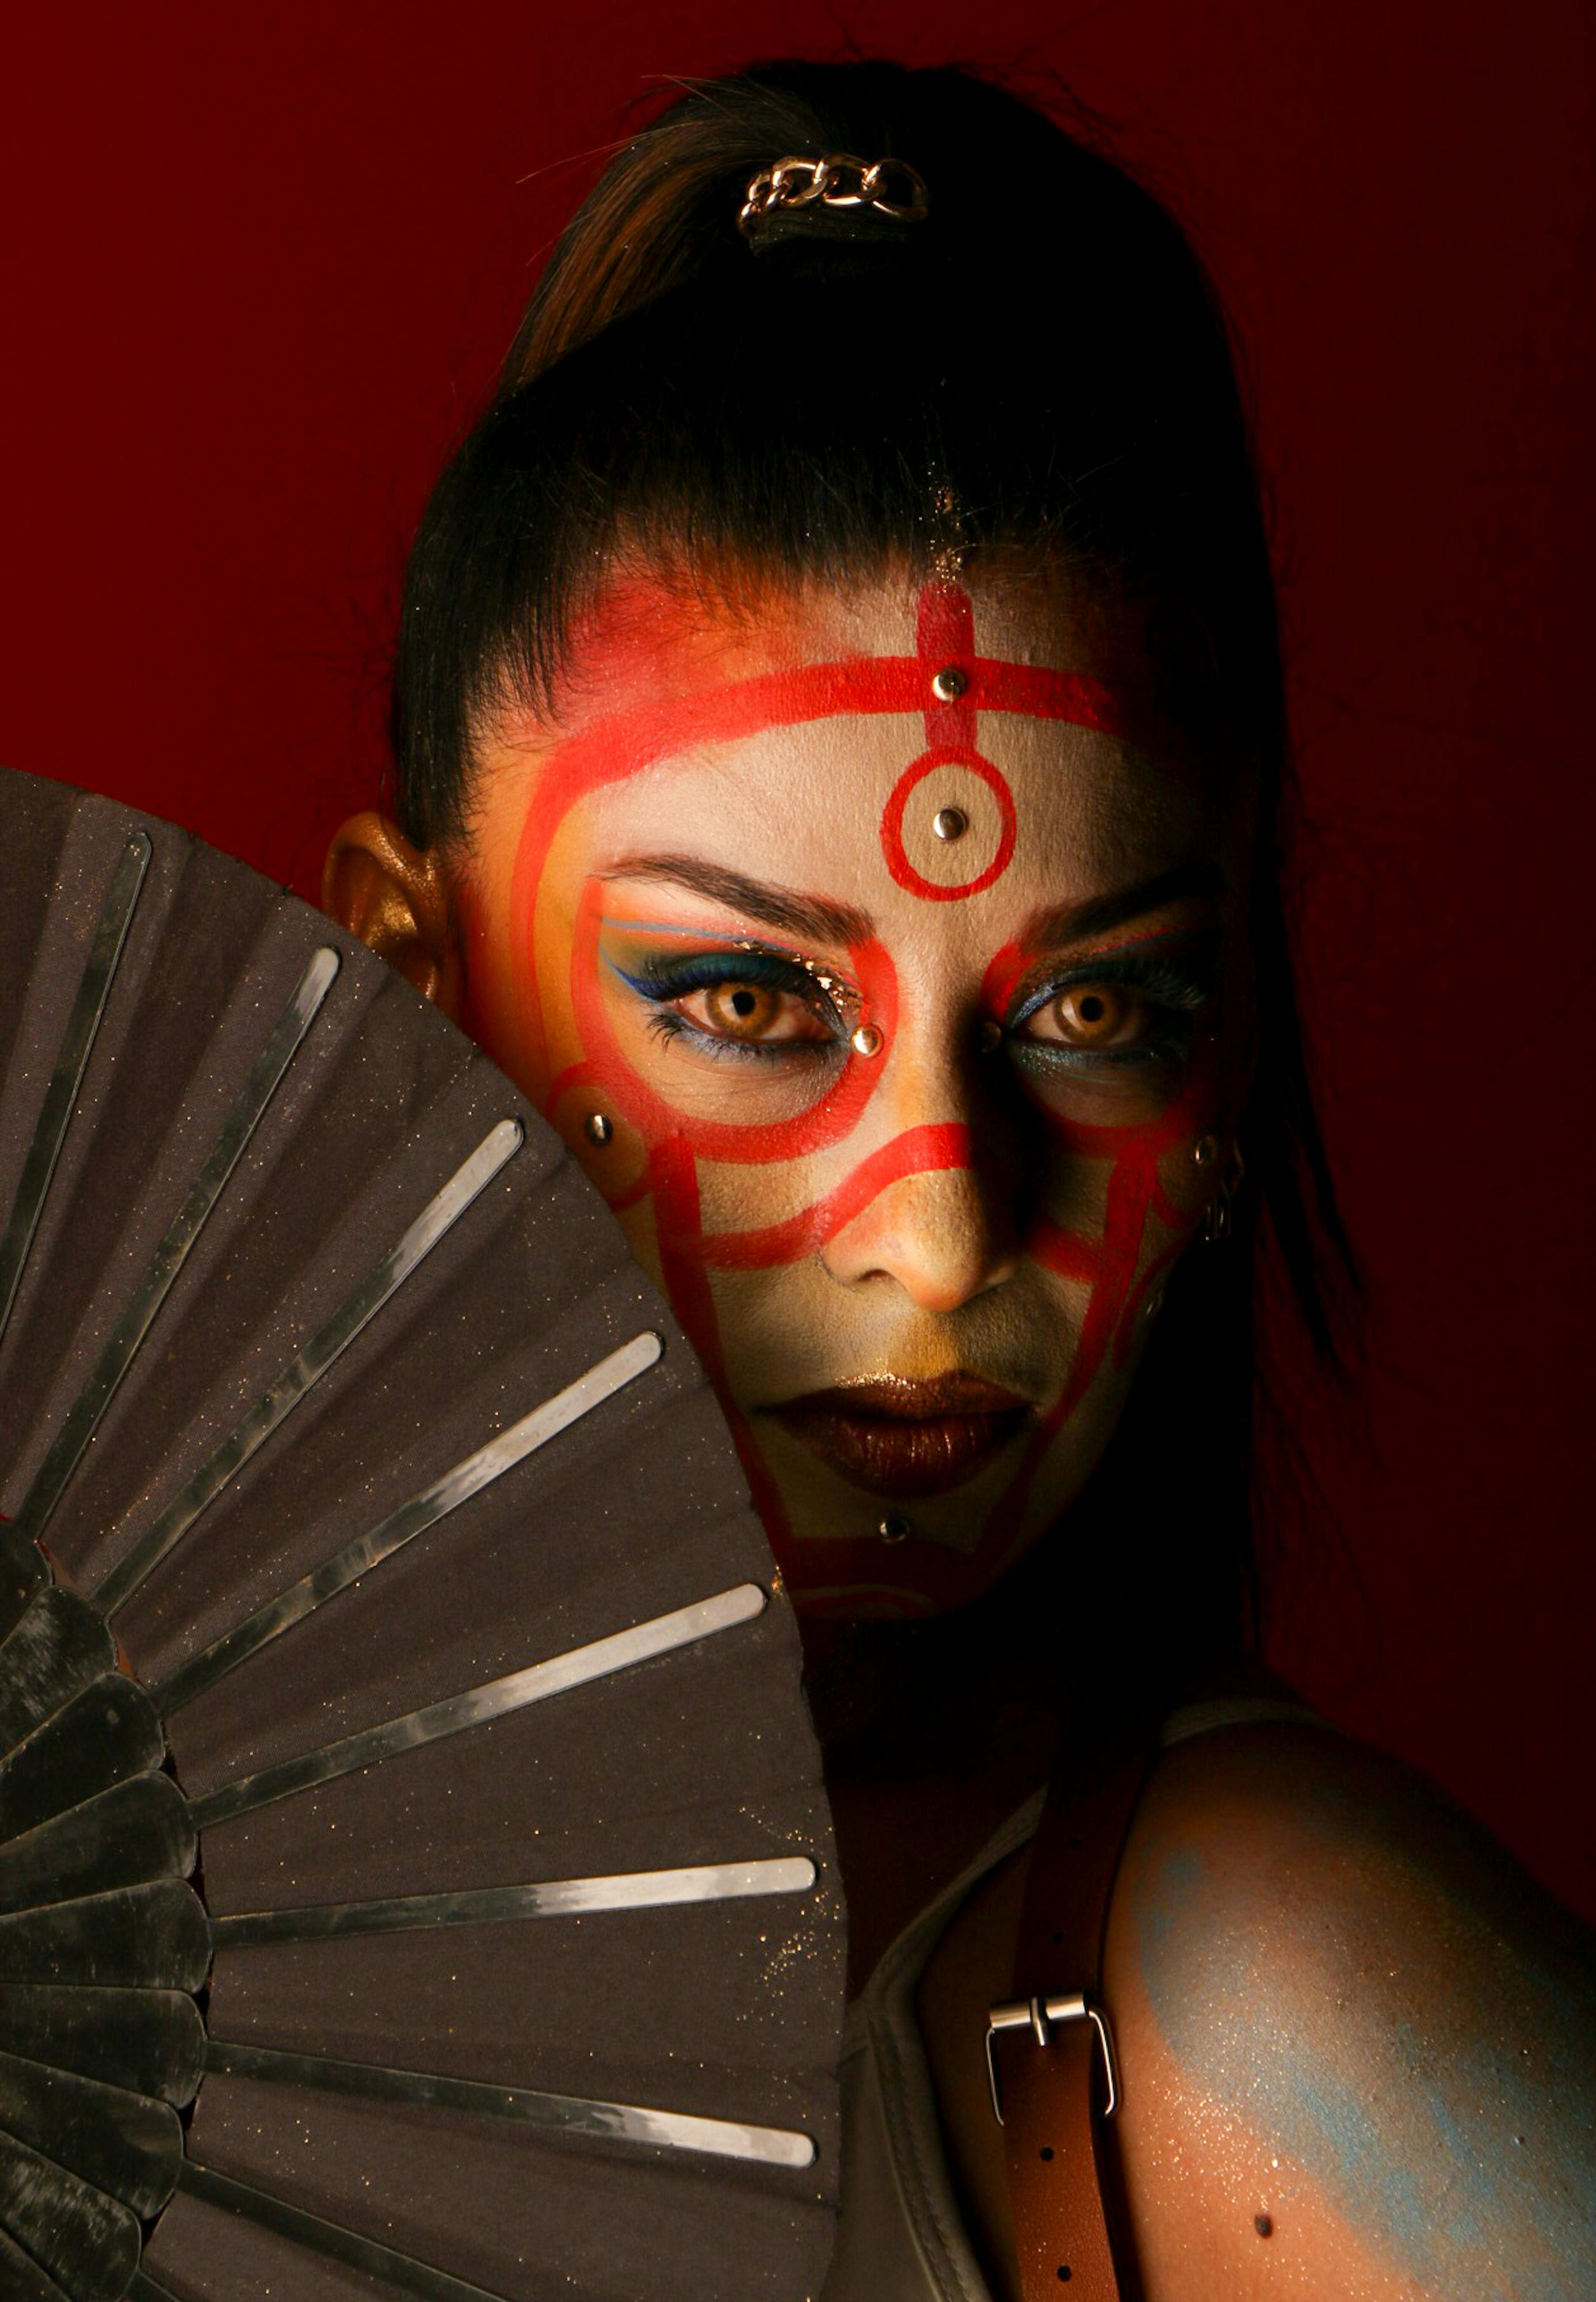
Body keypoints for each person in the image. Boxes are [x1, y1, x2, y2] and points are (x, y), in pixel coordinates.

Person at [323, 59, 1596, 2302]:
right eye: (748, 1001)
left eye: (1092, 1015)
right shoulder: (214, 1880)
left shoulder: (1275, 1997)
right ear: (416, 987)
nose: (936, 1234)